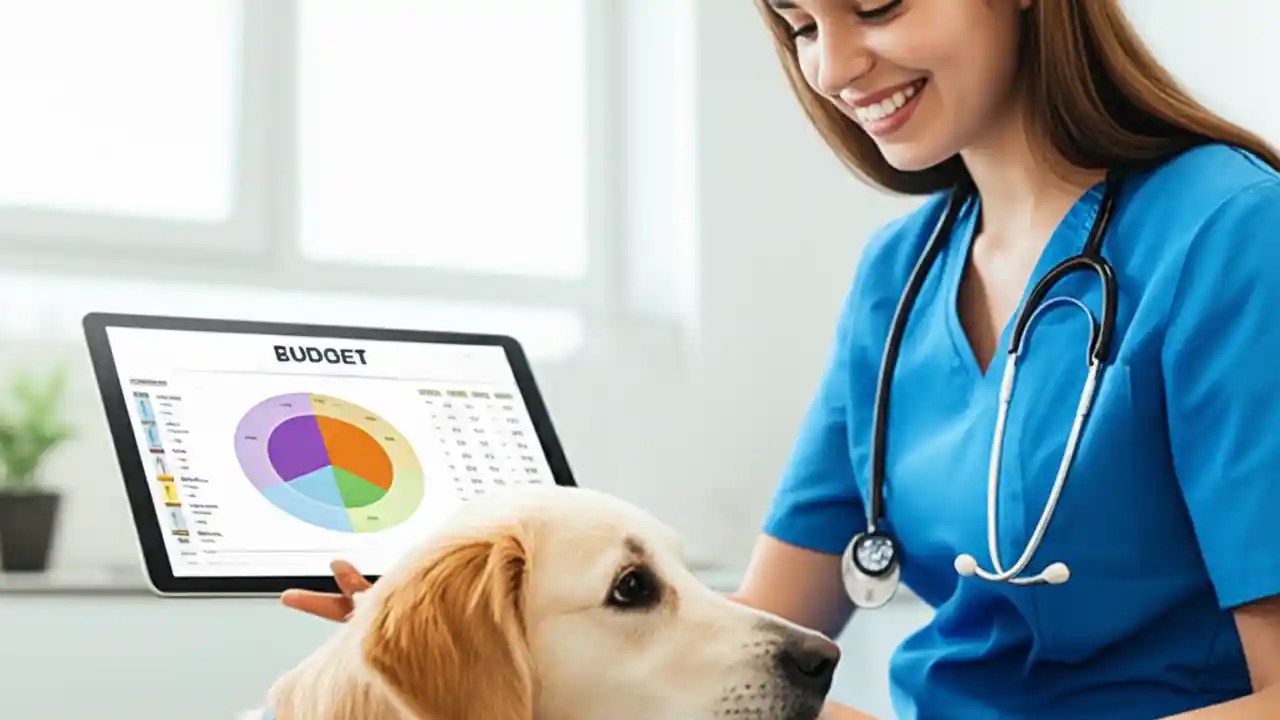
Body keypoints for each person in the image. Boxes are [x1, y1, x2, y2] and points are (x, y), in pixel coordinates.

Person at [285, 1, 1280, 717]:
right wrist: (454, 630)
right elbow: (750, 629)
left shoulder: (1227, 233)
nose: (834, 65)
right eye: (799, 24)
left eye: (874, 7)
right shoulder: (901, 274)